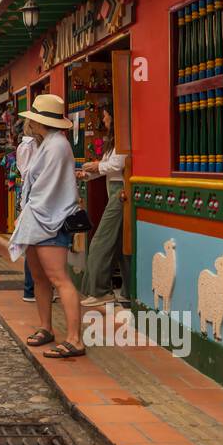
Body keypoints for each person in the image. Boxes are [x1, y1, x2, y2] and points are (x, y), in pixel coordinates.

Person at [10, 94, 85, 359]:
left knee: (58, 278)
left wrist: (28, 214)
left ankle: (75, 339)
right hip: (38, 219)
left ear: (38, 121)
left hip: (49, 220)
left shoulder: (56, 146)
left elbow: (46, 188)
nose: (29, 123)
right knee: (40, 278)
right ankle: (46, 327)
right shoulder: (48, 144)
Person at [77, 108, 129, 306]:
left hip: (120, 193)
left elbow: (117, 165)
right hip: (114, 191)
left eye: (106, 116)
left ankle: (100, 291)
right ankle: (128, 291)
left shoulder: (123, 141)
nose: (104, 120)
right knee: (122, 246)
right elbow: (109, 166)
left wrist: (97, 166)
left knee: (101, 241)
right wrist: (88, 174)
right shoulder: (113, 143)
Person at [15, 130, 39, 302]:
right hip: (34, 195)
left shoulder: (44, 144)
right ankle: (30, 289)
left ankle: (36, 288)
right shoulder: (27, 145)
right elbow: (26, 172)